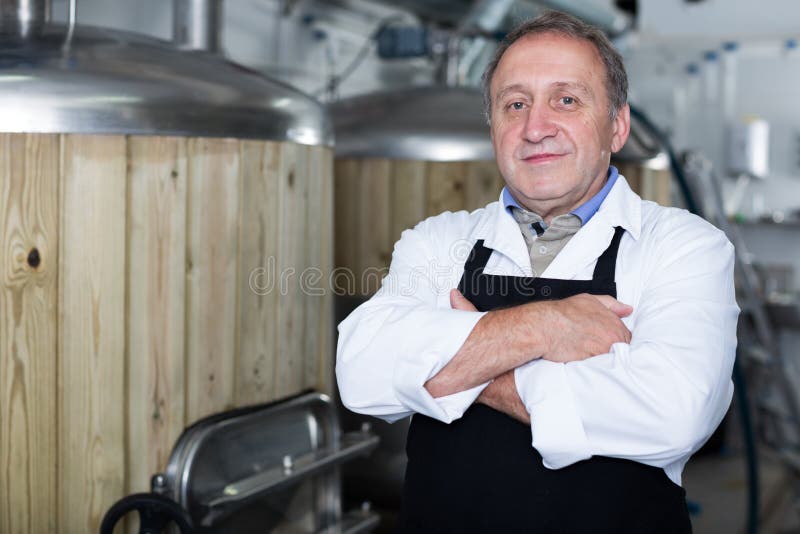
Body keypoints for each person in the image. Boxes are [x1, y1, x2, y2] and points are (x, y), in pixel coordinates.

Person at [336, 10, 738, 534]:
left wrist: (462, 364)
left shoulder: (683, 247)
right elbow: (362, 374)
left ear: (617, 126)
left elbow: (672, 414)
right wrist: (547, 326)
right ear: (494, 128)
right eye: (515, 104)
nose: (535, 128)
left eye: (566, 100)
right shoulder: (438, 240)